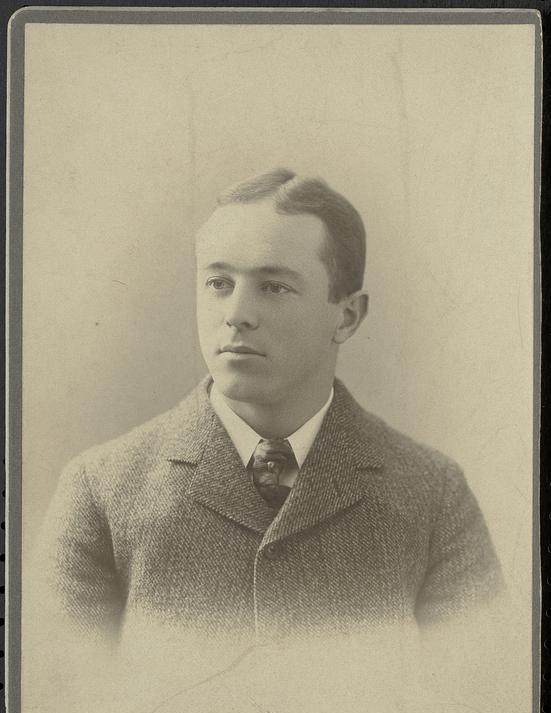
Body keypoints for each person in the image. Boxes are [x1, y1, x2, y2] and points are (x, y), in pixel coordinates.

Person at [38, 168, 505, 649]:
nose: (236, 314)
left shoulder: (433, 495)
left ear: (347, 316)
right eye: (218, 283)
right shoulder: (100, 490)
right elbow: (68, 685)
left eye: (274, 287)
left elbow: (471, 682)